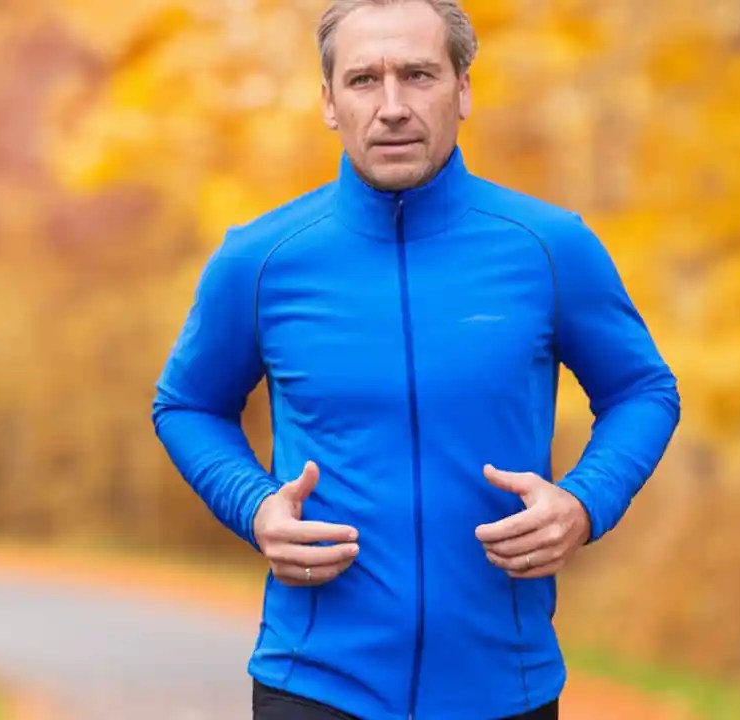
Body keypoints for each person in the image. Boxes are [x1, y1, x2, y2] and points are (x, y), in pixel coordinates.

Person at [151, 1, 680, 717]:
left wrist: (585, 503)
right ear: (329, 102)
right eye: (365, 79)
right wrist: (255, 506)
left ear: (462, 89)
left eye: (419, 75)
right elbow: (187, 405)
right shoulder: (261, 259)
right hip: (312, 686)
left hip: (506, 688)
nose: (393, 106)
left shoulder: (549, 247)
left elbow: (643, 389)